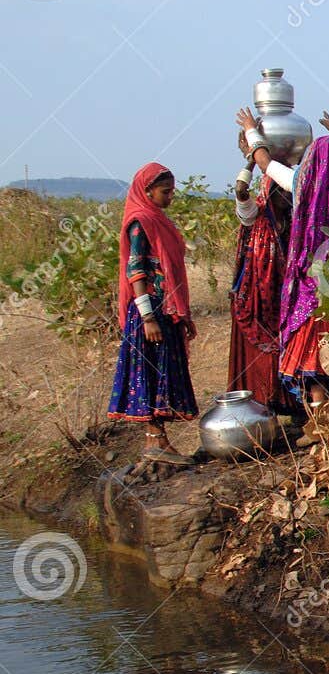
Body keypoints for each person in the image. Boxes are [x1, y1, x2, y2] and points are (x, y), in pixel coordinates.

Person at [235, 108, 329, 412]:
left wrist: (250, 130)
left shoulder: (303, 185)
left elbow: (264, 162)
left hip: (310, 281)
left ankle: (319, 420)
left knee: (312, 347)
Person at [107, 163, 198, 463]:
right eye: (165, 191)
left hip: (165, 310)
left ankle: (159, 441)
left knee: (163, 370)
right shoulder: (140, 222)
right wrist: (147, 317)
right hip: (149, 311)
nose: (170, 196)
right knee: (150, 371)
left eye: (172, 191)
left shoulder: (159, 220)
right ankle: (154, 441)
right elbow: (136, 271)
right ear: (146, 191)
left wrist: (181, 316)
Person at [228, 131, 296, 416]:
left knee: (285, 349)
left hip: (282, 298)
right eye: (279, 190)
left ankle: (286, 403)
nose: (285, 196)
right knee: (259, 356)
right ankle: (258, 407)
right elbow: (241, 191)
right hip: (255, 300)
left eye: (287, 191)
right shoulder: (254, 214)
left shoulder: (293, 222)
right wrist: (252, 160)